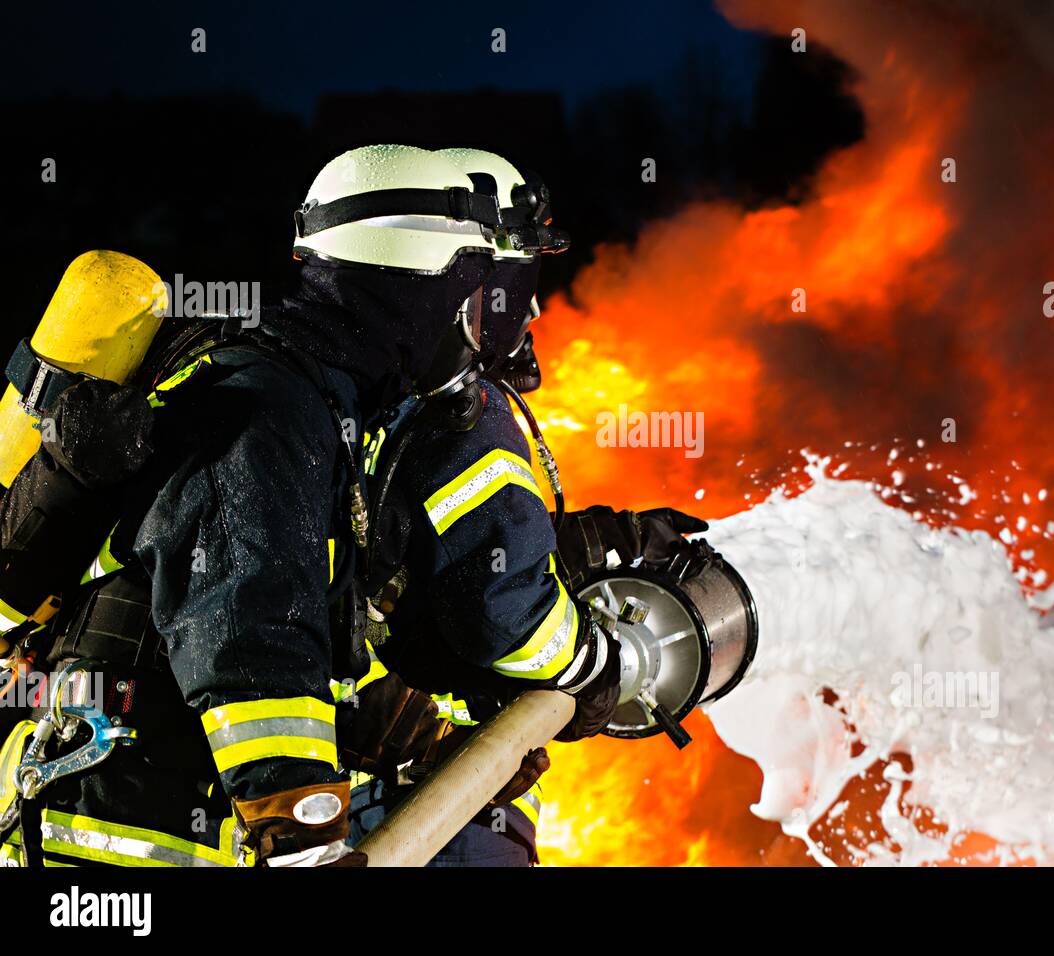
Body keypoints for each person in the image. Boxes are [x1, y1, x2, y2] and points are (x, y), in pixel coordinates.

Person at [0, 144, 502, 867]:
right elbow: (246, 623)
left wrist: (428, 740)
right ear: (413, 284)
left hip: (147, 815)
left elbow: (294, 630)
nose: (478, 328)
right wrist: (299, 823)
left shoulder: (320, 404)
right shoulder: (263, 405)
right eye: (472, 296)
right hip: (112, 836)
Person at [343, 148, 707, 866]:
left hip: (416, 793)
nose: (532, 305)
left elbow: (435, 558)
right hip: (425, 803)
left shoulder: (361, 407)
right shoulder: (454, 418)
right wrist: (601, 665)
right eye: (512, 280)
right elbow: (502, 611)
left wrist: (604, 538)